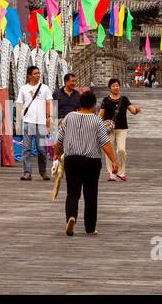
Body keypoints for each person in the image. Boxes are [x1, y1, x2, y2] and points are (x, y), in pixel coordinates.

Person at [53, 89, 118, 236]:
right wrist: (114, 161)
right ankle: (90, 228)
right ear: (94, 105)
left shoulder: (69, 117)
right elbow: (105, 143)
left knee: (72, 193)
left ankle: (71, 217)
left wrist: (56, 153)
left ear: (79, 103)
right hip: (91, 162)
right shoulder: (97, 121)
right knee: (90, 195)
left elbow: (59, 140)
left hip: (72, 160)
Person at [15, 64, 53, 181]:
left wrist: (50, 116)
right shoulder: (23, 89)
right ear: (29, 76)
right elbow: (19, 105)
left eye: (38, 73)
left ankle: (43, 172)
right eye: (35, 73)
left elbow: (49, 103)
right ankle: (27, 172)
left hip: (41, 122)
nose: (38, 75)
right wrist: (17, 122)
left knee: (41, 149)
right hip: (28, 121)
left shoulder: (45, 88)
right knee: (26, 148)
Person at [98, 78, 140, 181]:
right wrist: (98, 124)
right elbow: (100, 115)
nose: (116, 87)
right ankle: (112, 173)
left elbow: (132, 110)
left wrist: (137, 110)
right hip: (109, 129)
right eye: (113, 86)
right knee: (109, 151)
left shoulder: (124, 99)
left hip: (122, 128)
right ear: (110, 88)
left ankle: (121, 172)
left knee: (121, 150)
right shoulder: (105, 100)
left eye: (117, 85)